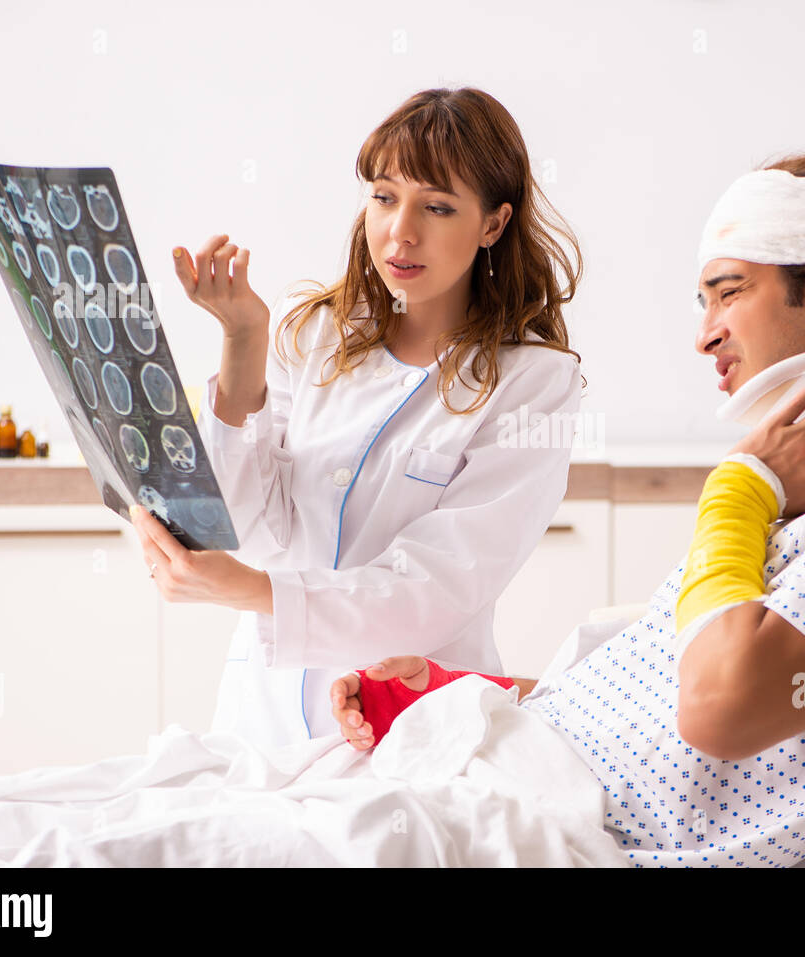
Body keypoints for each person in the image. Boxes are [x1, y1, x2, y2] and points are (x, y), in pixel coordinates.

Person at [330, 152, 805, 867]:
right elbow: (665, 696)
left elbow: (719, 705)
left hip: (558, 835)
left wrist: (738, 488)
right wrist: (465, 696)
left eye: (728, 293)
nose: (705, 334)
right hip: (512, 780)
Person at [128, 87, 586, 750]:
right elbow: (247, 526)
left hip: (410, 729)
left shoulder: (531, 383)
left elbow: (436, 589)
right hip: (261, 721)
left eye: (437, 206)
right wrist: (243, 341)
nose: (401, 229)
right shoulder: (312, 333)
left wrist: (258, 594)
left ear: (493, 223)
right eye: (384, 195)